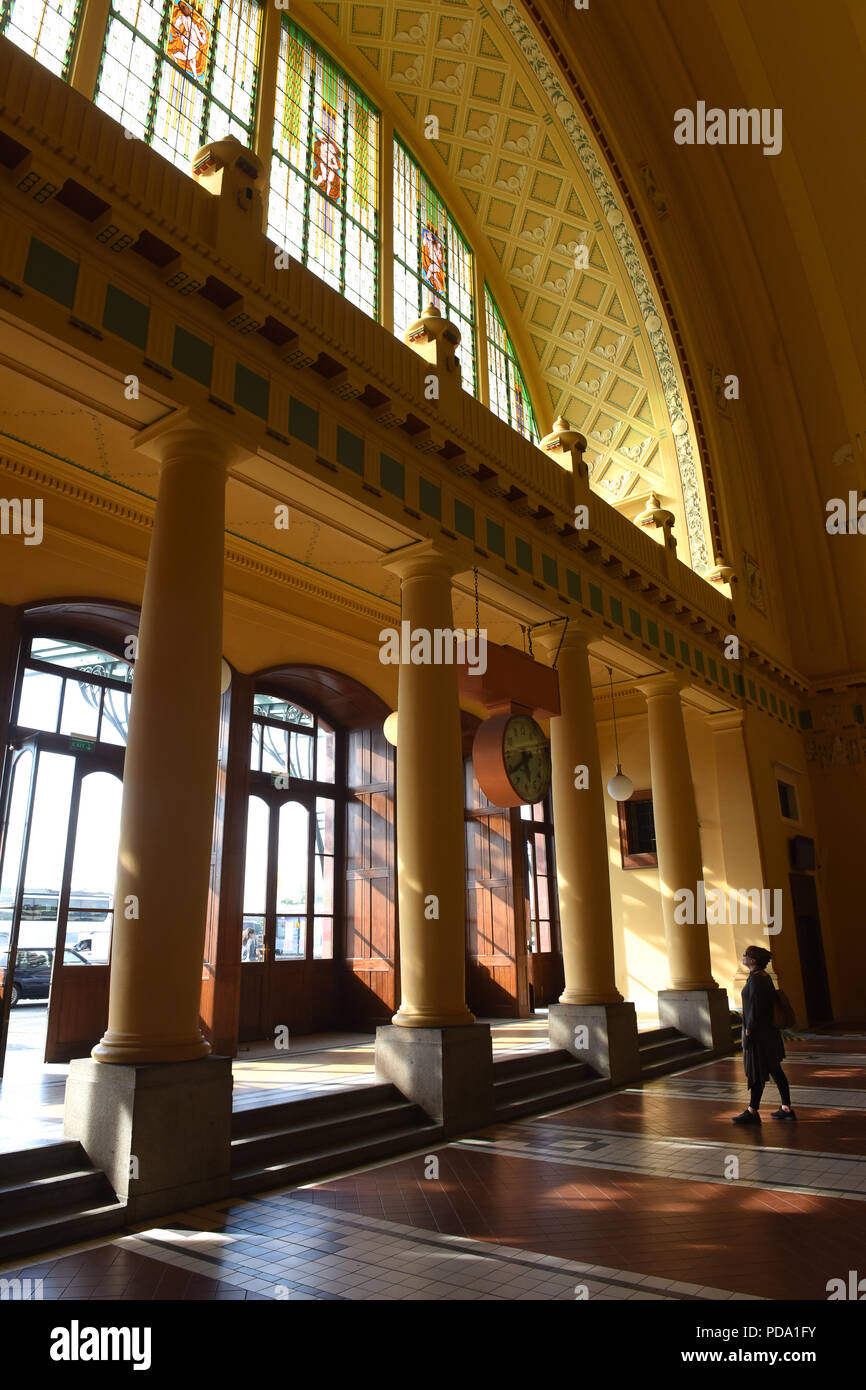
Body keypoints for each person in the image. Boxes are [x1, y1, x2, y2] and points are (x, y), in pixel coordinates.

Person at [732, 945, 796, 1124]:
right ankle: (785, 1108)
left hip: (759, 1035)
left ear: (753, 960)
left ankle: (753, 1111)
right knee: (775, 1069)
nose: (743, 957)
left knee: (756, 1072)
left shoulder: (755, 980)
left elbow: (756, 1008)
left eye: (746, 955)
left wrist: (749, 1029)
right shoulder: (763, 977)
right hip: (768, 1033)